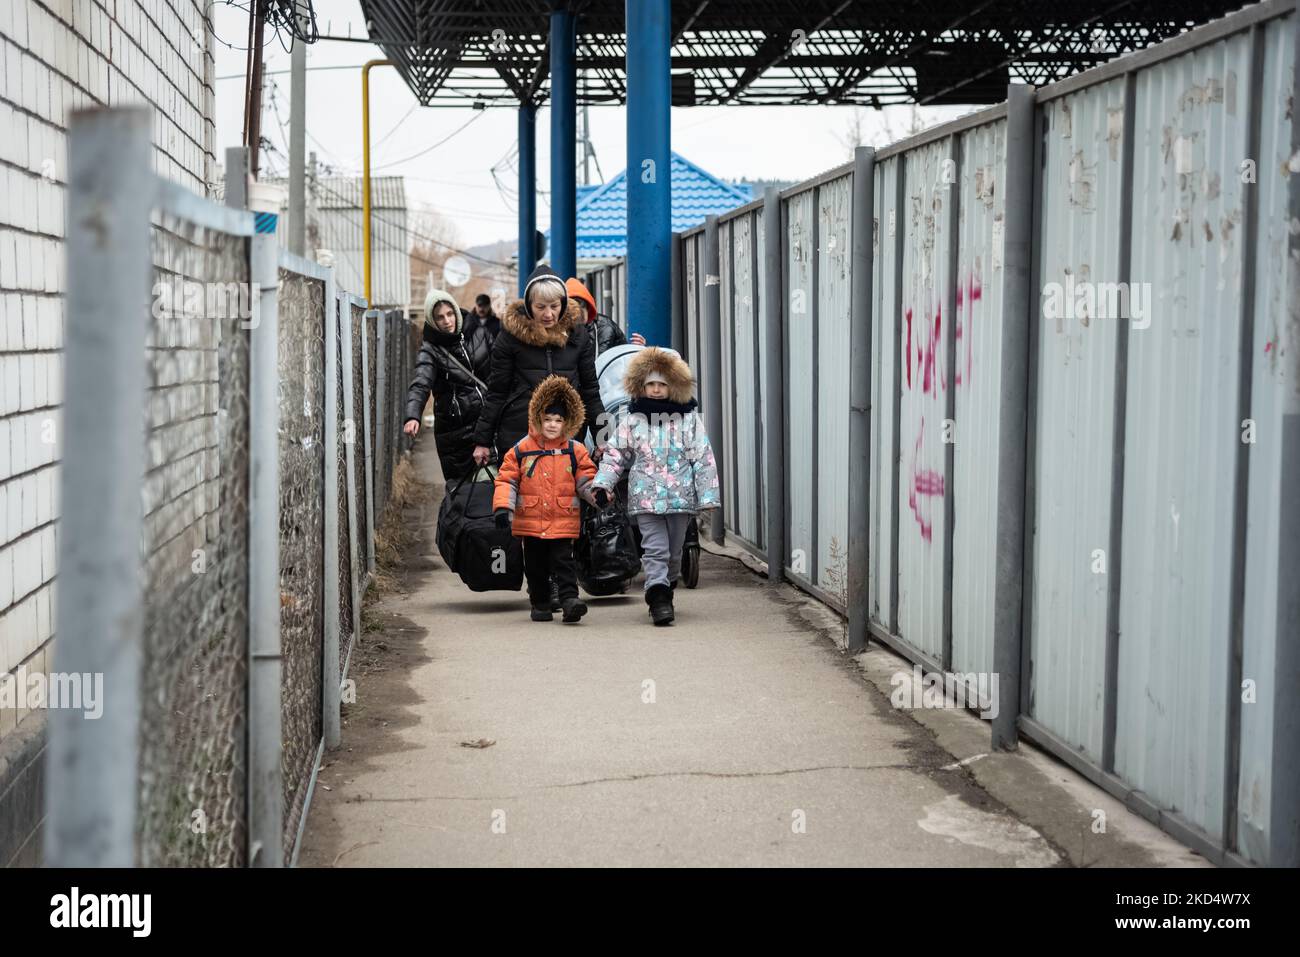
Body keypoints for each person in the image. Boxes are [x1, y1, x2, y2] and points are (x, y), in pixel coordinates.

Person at [591, 348, 720, 625]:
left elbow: (703, 457)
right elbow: (615, 454)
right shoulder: (632, 421)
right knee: (655, 549)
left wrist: (707, 494)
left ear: (673, 386)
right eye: (651, 384)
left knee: (674, 552)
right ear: (641, 387)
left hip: (680, 498)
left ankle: (667, 582)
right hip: (646, 498)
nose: (657, 390)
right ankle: (658, 596)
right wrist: (603, 483)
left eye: (662, 385)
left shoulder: (689, 420)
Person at [471, 264, 607, 462]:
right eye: (540, 307)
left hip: (567, 436)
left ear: (562, 303)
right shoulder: (509, 337)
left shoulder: (579, 336)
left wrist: (603, 438)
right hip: (518, 436)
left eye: (554, 306)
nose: (549, 314)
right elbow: (497, 391)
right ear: (529, 305)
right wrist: (482, 441)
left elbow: (590, 391)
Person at [493, 375, 599, 623]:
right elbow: (507, 479)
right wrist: (502, 508)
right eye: (548, 419)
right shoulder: (522, 449)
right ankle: (539, 603)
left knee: (564, 563)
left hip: (562, 520)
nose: (552, 425)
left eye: (558, 420)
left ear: (567, 422)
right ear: (538, 418)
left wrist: (599, 495)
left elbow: (587, 479)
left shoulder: (575, 450)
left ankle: (570, 600)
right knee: (535, 566)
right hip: (530, 522)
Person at [402, 288, 494, 481]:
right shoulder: (430, 350)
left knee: (494, 487)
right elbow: (421, 382)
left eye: (450, 314)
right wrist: (413, 415)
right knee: (461, 491)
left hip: (488, 423)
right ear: (432, 320)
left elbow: (499, 369)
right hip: (456, 431)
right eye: (440, 317)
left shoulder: (478, 333)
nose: (447, 321)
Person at [565, 277, 645, 355]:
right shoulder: (560, 330)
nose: (577, 325)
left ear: (588, 308)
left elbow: (624, 359)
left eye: (580, 320)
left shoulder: (605, 327)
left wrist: (638, 351)